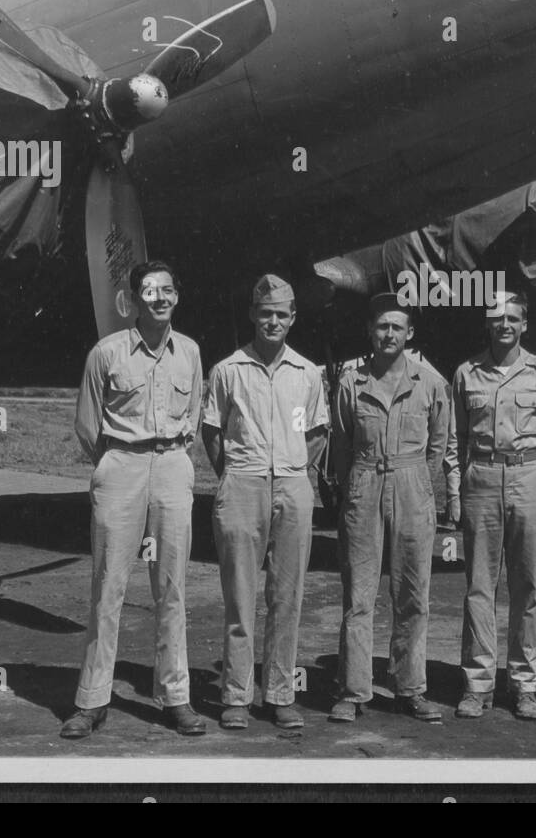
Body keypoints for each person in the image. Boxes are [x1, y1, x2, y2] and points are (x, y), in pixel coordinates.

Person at [63, 260, 206, 739]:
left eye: (168, 290)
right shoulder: (106, 353)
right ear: (134, 299)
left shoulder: (189, 352)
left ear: (177, 297)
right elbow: (87, 426)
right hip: (121, 463)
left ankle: (175, 698)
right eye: (149, 291)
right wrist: (114, 462)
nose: (159, 298)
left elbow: (196, 410)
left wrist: (170, 457)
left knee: (172, 587)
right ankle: (91, 700)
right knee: (108, 586)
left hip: (172, 465)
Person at [202, 275, 329, 730]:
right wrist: (236, 476)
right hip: (243, 483)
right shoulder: (228, 370)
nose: (273, 321)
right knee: (240, 595)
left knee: (287, 596)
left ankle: (280, 694)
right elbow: (212, 432)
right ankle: (236, 694)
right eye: (265, 313)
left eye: (282, 314)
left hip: (293, 486)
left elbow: (316, 433)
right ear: (253, 315)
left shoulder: (308, 373)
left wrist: (295, 473)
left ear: (293, 318)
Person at [329, 293, 454, 723]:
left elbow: (438, 445)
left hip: (411, 484)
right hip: (364, 484)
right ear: (370, 330)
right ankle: (352, 690)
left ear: (409, 333)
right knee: (359, 595)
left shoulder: (430, 383)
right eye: (382, 326)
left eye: (397, 327)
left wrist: (416, 479)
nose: (388, 334)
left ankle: (409, 688)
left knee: (413, 594)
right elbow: (341, 445)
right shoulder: (351, 382)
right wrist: (358, 485)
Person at [450, 293, 536, 721]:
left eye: (513, 318)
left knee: (527, 589)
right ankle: (477, 685)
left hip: (528, 480)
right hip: (480, 479)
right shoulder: (466, 373)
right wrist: (453, 493)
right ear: (488, 324)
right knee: (479, 589)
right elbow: (454, 441)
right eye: (497, 318)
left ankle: (524, 684)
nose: (505, 325)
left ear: (524, 325)